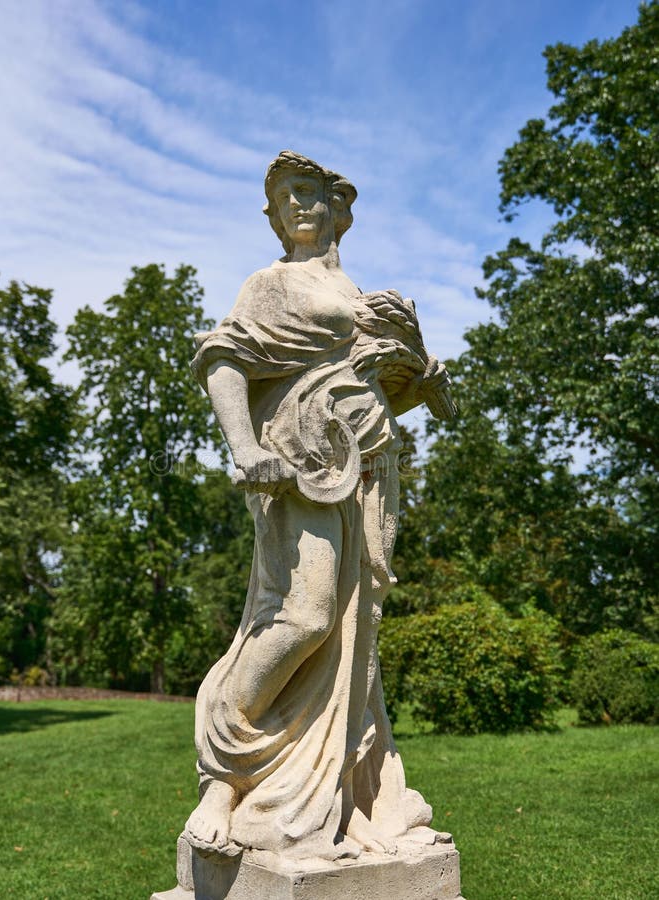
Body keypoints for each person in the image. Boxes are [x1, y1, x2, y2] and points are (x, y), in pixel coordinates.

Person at [185, 150, 455, 867]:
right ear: (273, 217)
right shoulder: (271, 284)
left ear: (338, 209)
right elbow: (222, 359)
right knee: (303, 615)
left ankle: (351, 796)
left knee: (354, 636)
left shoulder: (357, 294)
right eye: (285, 197)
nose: (297, 205)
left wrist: (414, 382)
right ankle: (223, 776)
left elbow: (358, 386)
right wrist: (246, 449)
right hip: (299, 466)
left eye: (309, 192)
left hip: (370, 470)